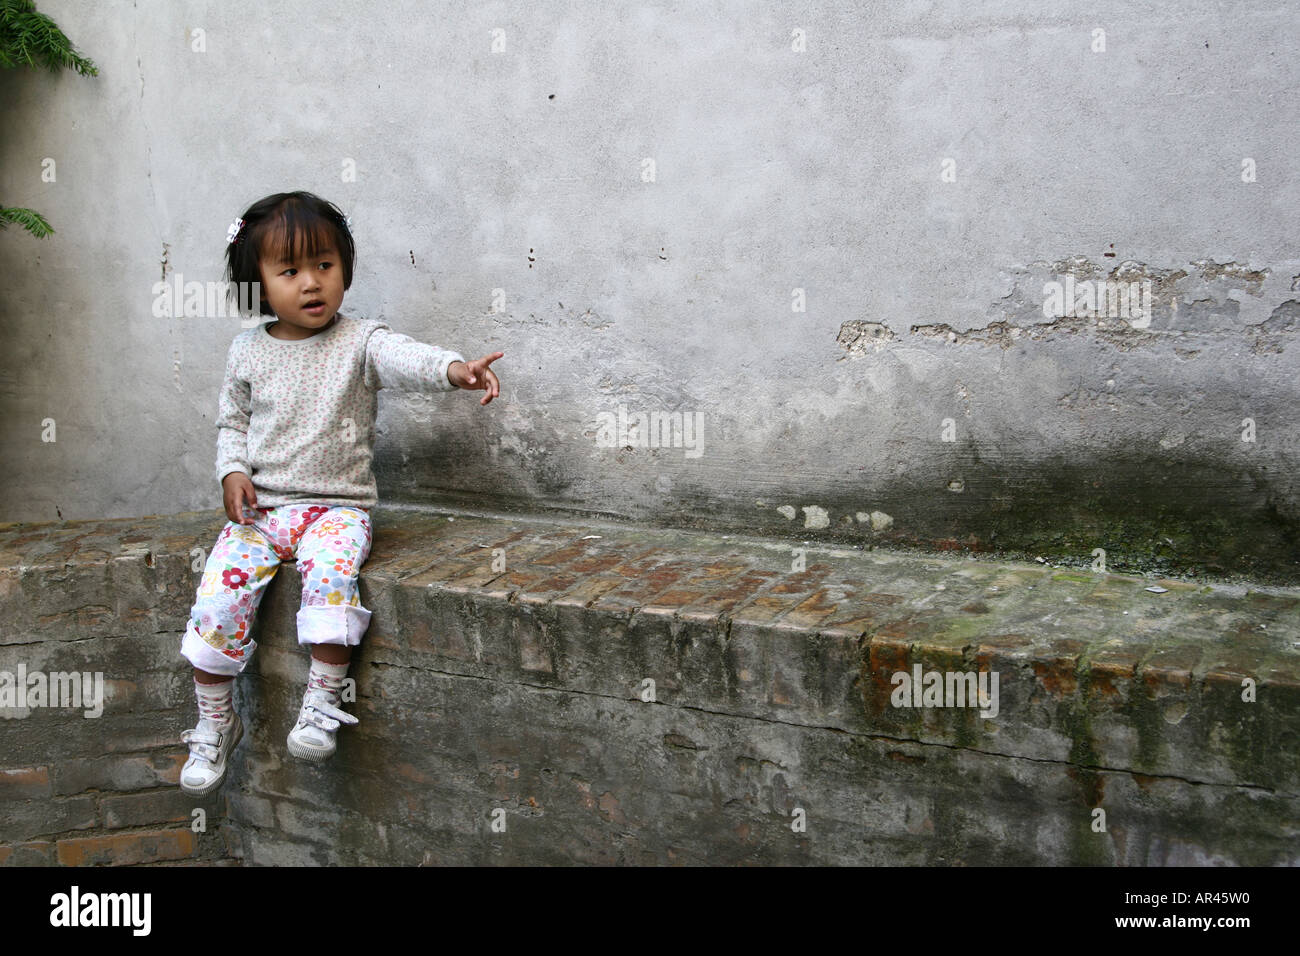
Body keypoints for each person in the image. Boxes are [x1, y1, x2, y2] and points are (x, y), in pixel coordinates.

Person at [178, 190, 503, 795]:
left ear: (344, 270)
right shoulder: (248, 350)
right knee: (217, 601)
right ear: (258, 284)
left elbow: (407, 357)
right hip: (264, 510)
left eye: (324, 266)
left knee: (330, 582)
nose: (311, 283)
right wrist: (232, 473)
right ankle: (215, 721)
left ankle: (322, 702)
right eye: (290, 271)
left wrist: (457, 371)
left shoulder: (360, 342)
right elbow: (234, 423)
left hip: (336, 510)